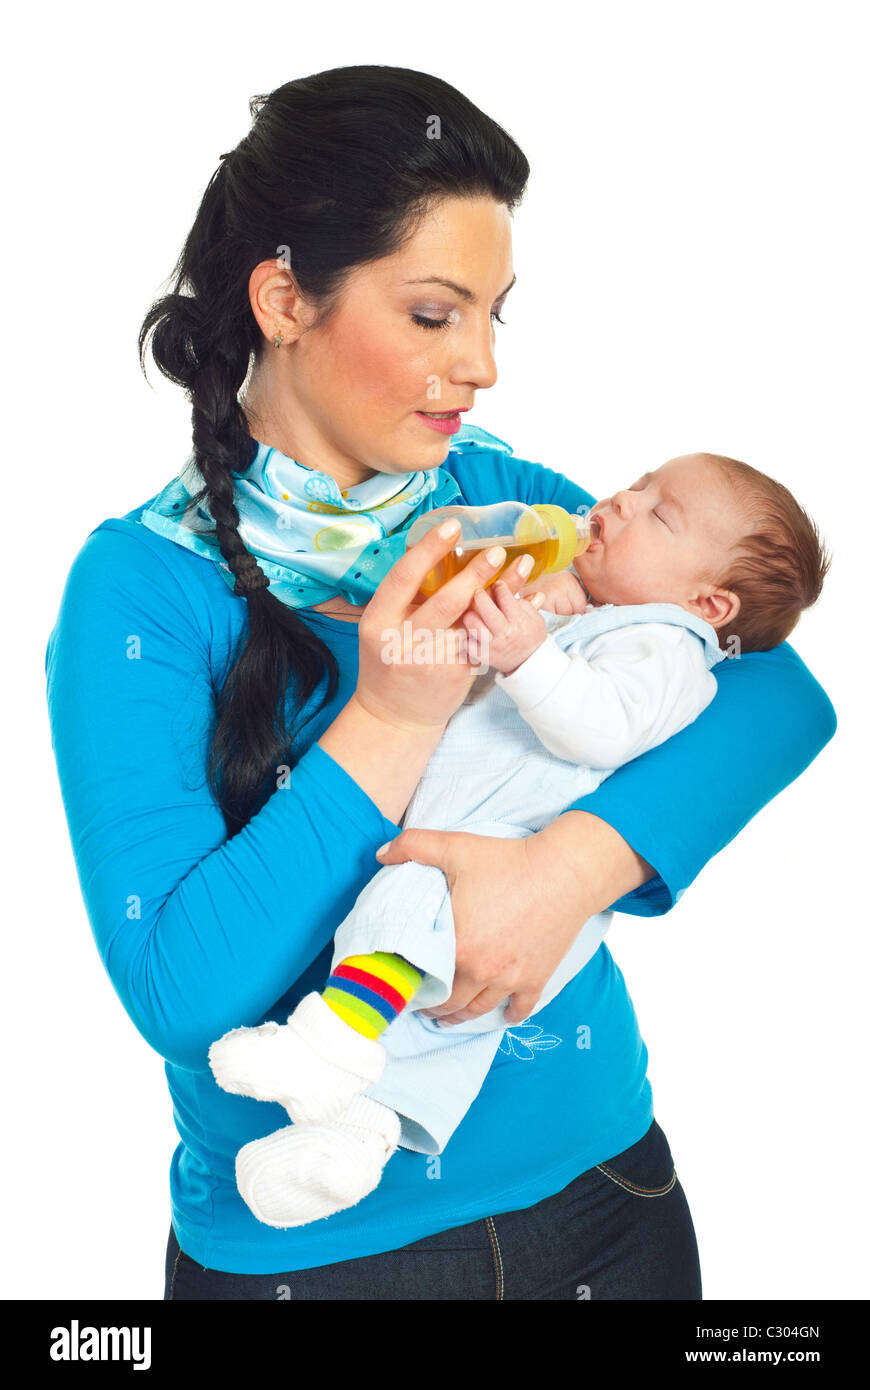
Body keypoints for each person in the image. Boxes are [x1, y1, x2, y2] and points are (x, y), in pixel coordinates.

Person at [44, 67, 836, 1300]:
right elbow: (183, 991)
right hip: (313, 1258)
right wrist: (390, 716)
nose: (481, 367)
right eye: (432, 315)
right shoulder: (142, 590)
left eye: (493, 316)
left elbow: (778, 693)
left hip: (611, 1199)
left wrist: (569, 868)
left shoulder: (503, 503)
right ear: (284, 298)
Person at [205, 450, 829, 1229]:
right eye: (636, 484)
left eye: (658, 513)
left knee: (403, 911)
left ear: (706, 603)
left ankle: (327, 1043)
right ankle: (355, 1141)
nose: (622, 501)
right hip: (482, 845)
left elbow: (602, 726)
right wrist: (542, 605)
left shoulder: (667, 647)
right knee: (437, 1035)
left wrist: (531, 650)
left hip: (504, 841)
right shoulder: (601, 601)